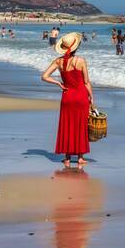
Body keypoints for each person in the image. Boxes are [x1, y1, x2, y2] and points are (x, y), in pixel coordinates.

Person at [42, 32, 94, 169]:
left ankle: (67, 158)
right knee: (80, 126)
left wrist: (58, 83)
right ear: (76, 47)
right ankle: (80, 158)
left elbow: (44, 76)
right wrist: (91, 97)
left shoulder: (58, 61)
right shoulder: (81, 61)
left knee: (67, 125)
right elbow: (87, 82)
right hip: (81, 96)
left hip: (67, 95)